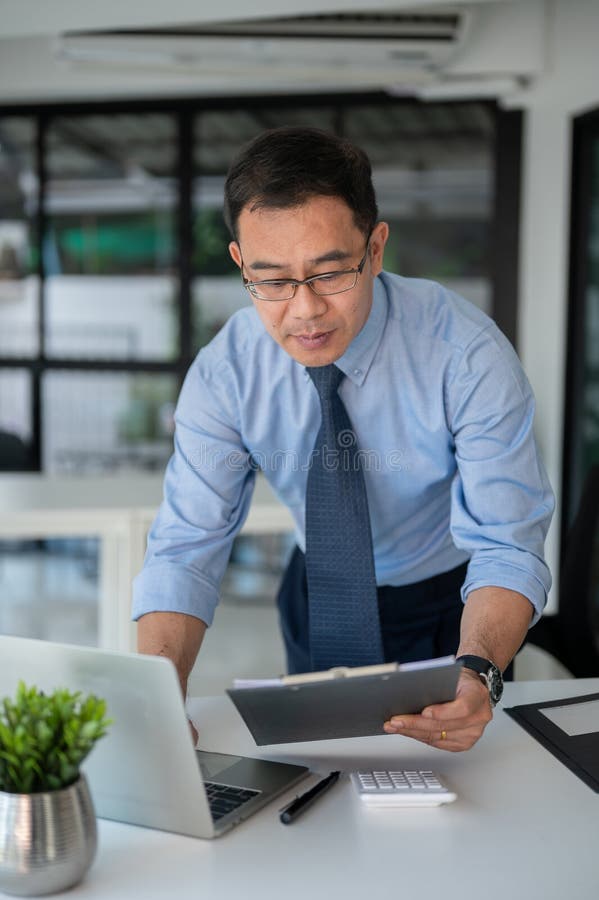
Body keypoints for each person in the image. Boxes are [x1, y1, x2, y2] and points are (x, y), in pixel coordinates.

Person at [133, 126, 554, 753]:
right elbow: (185, 547)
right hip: (318, 591)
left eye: (330, 273)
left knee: (450, 801)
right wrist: (158, 691)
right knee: (323, 779)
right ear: (240, 264)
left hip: (449, 604)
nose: (304, 311)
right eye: (271, 281)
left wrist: (481, 672)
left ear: (376, 248)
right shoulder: (226, 372)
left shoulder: (465, 356)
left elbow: (507, 543)